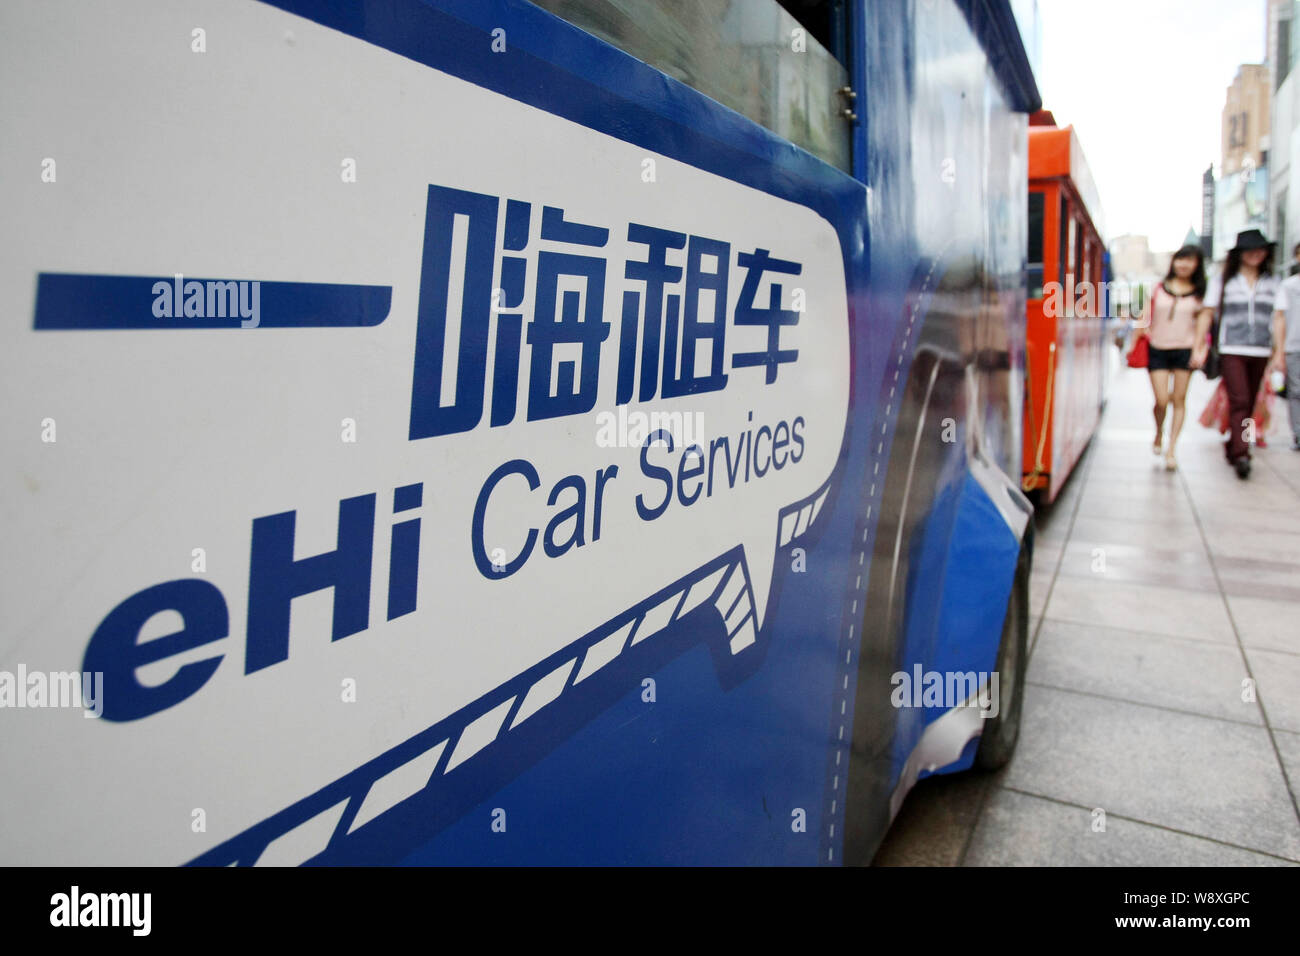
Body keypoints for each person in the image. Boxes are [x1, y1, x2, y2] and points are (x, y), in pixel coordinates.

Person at [1193, 229, 1288, 478]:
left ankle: (1237, 443)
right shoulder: (1223, 281)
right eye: (1250, 250)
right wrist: (1199, 345)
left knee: (1249, 404)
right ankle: (1242, 451)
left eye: (1260, 249)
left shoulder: (1273, 283)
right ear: (1240, 254)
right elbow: (1207, 312)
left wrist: (1279, 353)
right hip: (1231, 349)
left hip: (1260, 349)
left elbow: (1278, 319)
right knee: (1240, 400)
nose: (1255, 254)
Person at [1130, 244, 1206, 470]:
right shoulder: (1158, 288)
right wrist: (1133, 344)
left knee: (1180, 400)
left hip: (1185, 350)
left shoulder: (1200, 293)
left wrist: (1199, 350)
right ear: (1174, 262)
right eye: (1181, 259)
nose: (1184, 264)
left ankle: (1172, 449)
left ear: (1197, 265)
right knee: (1162, 400)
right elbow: (1144, 318)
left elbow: (1203, 324)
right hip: (1158, 349)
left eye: (1190, 260)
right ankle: (1159, 432)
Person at [1281, 248, 1300, 450]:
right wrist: (1278, 352)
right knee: (1296, 391)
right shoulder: (1288, 286)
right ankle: (1298, 433)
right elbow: (1278, 318)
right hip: (1293, 346)